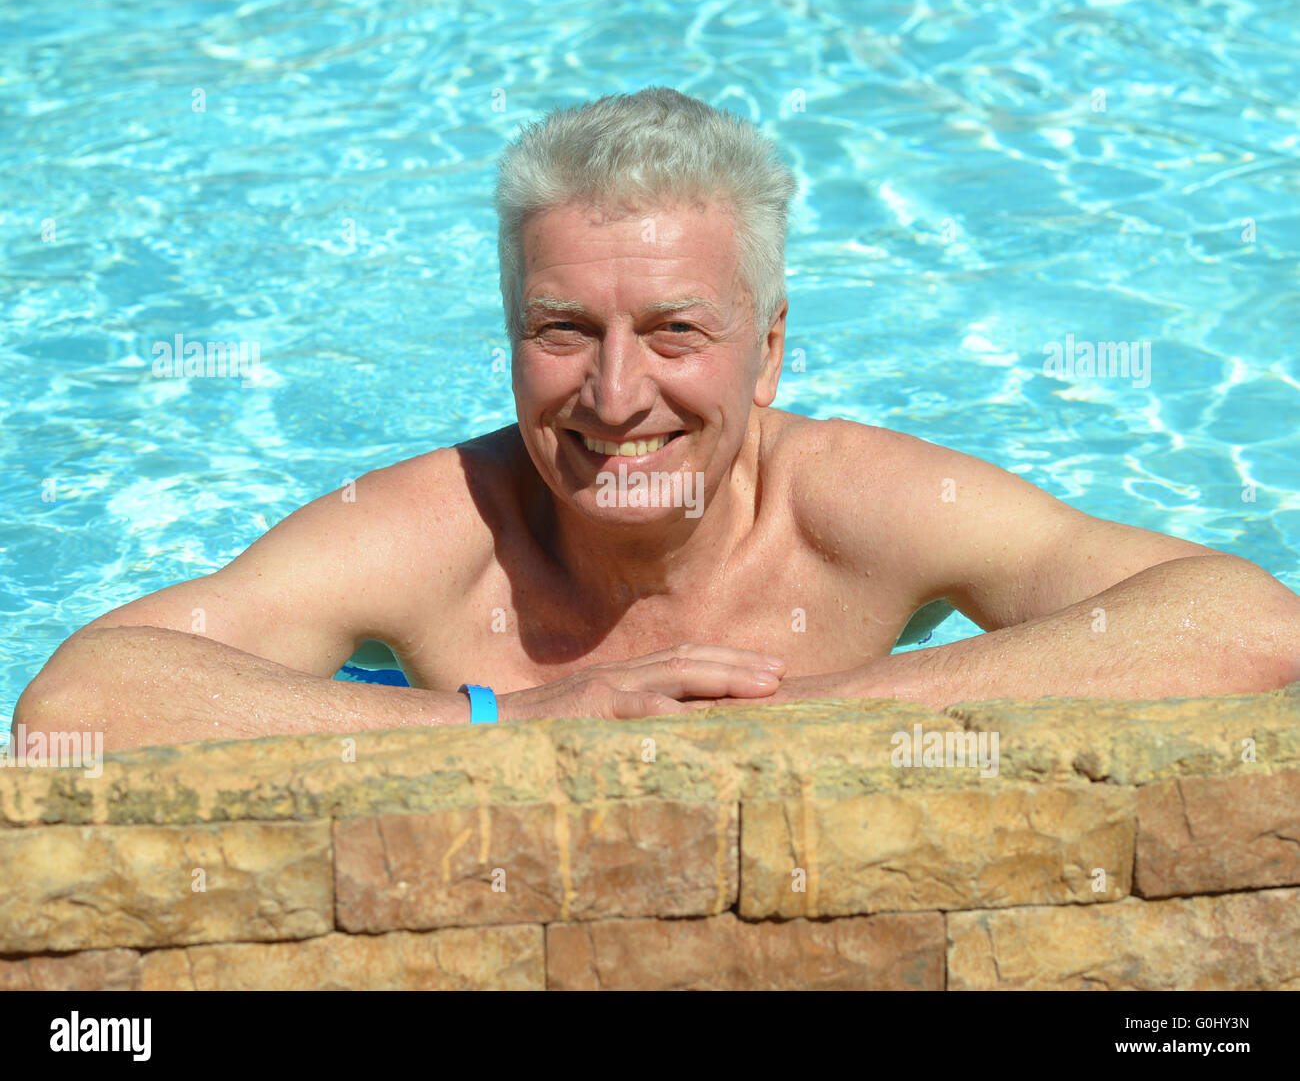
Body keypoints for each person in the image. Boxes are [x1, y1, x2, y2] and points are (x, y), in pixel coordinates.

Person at [16, 87, 1300, 751]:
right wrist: (507, 727)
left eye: (676, 332)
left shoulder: (860, 507)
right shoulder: (434, 528)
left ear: (769, 351)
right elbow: (86, 697)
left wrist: (837, 706)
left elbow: (1246, 624)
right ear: (509, 335)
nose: (616, 398)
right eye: (562, 330)